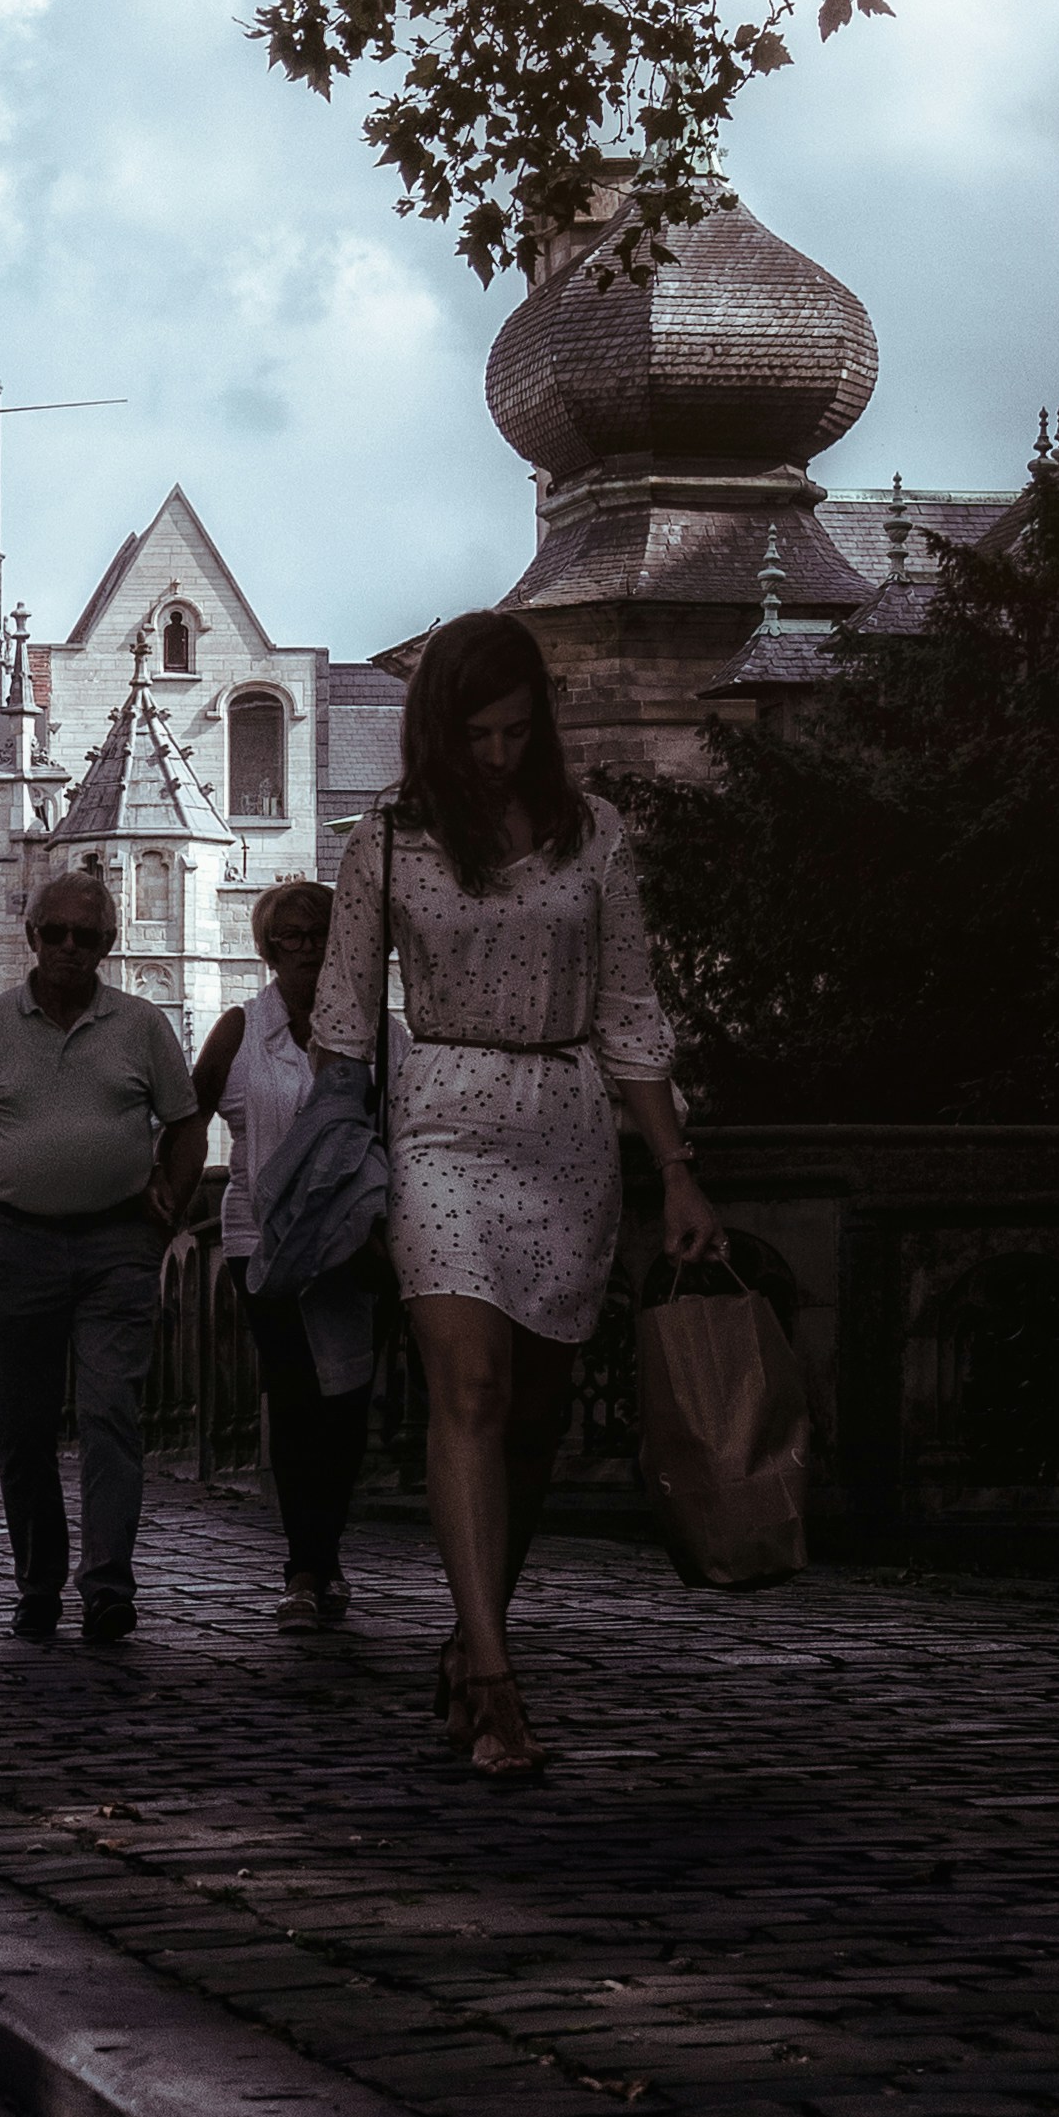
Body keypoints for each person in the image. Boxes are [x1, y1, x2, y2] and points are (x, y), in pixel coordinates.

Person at [317, 609, 720, 1780]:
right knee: (472, 1390)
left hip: (567, 1124)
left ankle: (470, 1629)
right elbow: (344, 1026)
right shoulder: (386, 845)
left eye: (516, 728)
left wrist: (678, 1170)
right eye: (475, 732)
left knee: (535, 1422)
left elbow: (634, 1015)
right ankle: (495, 1681)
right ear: (438, 729)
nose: (497, 752)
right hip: (439, 1119)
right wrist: (339, 1171)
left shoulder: (594, 836)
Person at [0, 872, 205, 1645]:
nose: (69, 949)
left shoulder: (141, 1025)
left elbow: (186, 1125)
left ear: (108, 946)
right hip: (16, 1240)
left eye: (86, 937)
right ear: (32, 937)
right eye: (56, 934)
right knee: (22, 1425)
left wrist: (168, 1204)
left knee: (112, 1410)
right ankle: (38, 1579)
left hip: (118, 1242)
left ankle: (107, 1583)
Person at [201, 879, 396, 1630]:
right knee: (294, 1396)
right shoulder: (241, 1029)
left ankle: (324, 1554)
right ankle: (303, 1566)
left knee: (345, 1403)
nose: (307, 947)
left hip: (357, 1245)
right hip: (265, 1246)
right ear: (268, 948)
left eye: (321, 933)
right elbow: (188, 1112)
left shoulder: (382, 1035)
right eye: (291, 936)